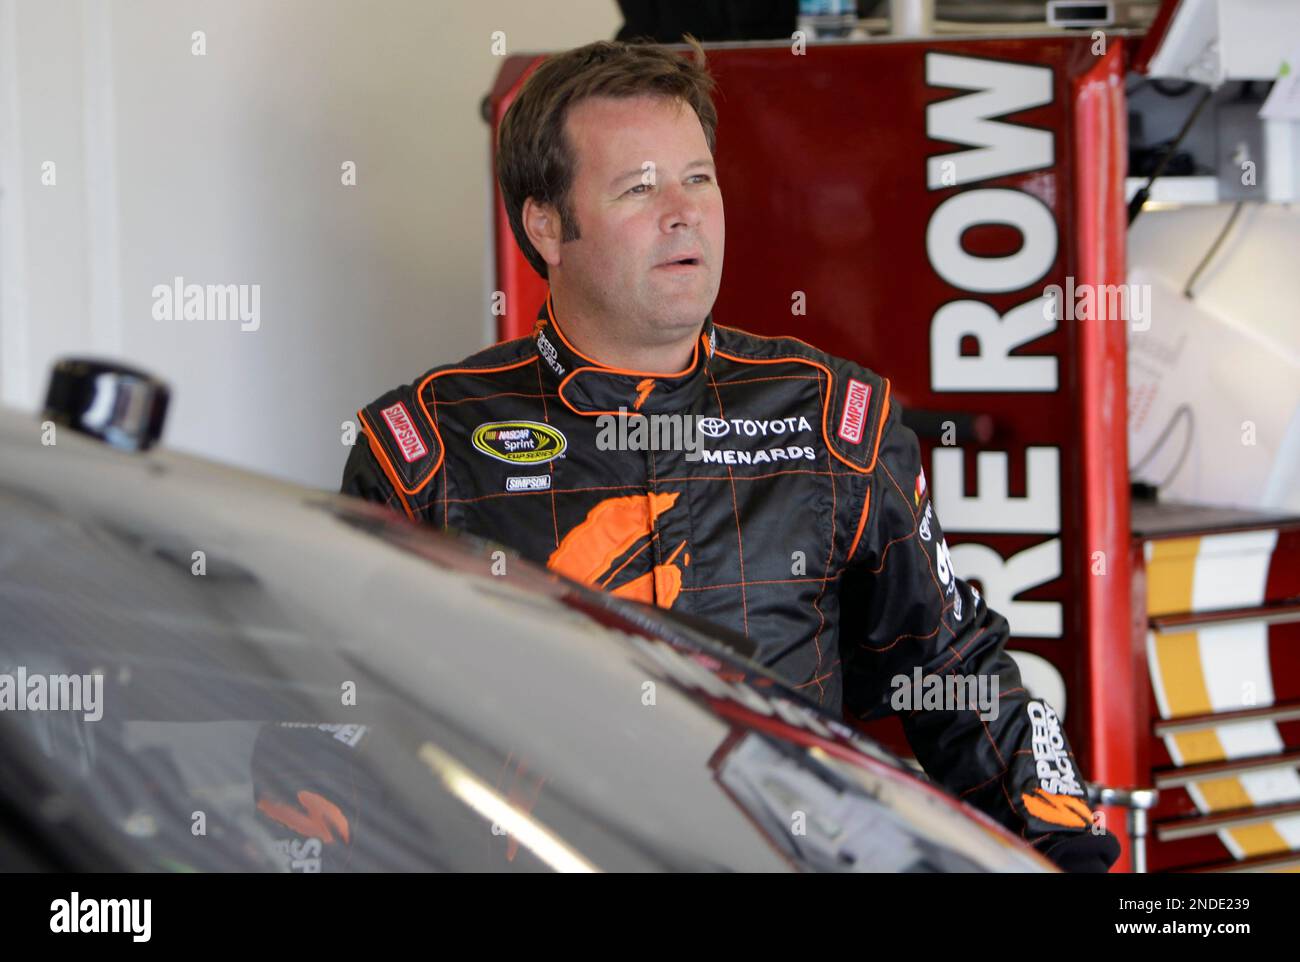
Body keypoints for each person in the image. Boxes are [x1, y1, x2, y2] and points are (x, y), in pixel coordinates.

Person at [341, 37, 1120, 873]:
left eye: (698, 178)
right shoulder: (421, 445)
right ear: (546, 225)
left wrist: (1068, 851)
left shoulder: (829, 414)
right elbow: (333, 708)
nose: (684, 212)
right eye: (639, 187)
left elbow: (954, 668)